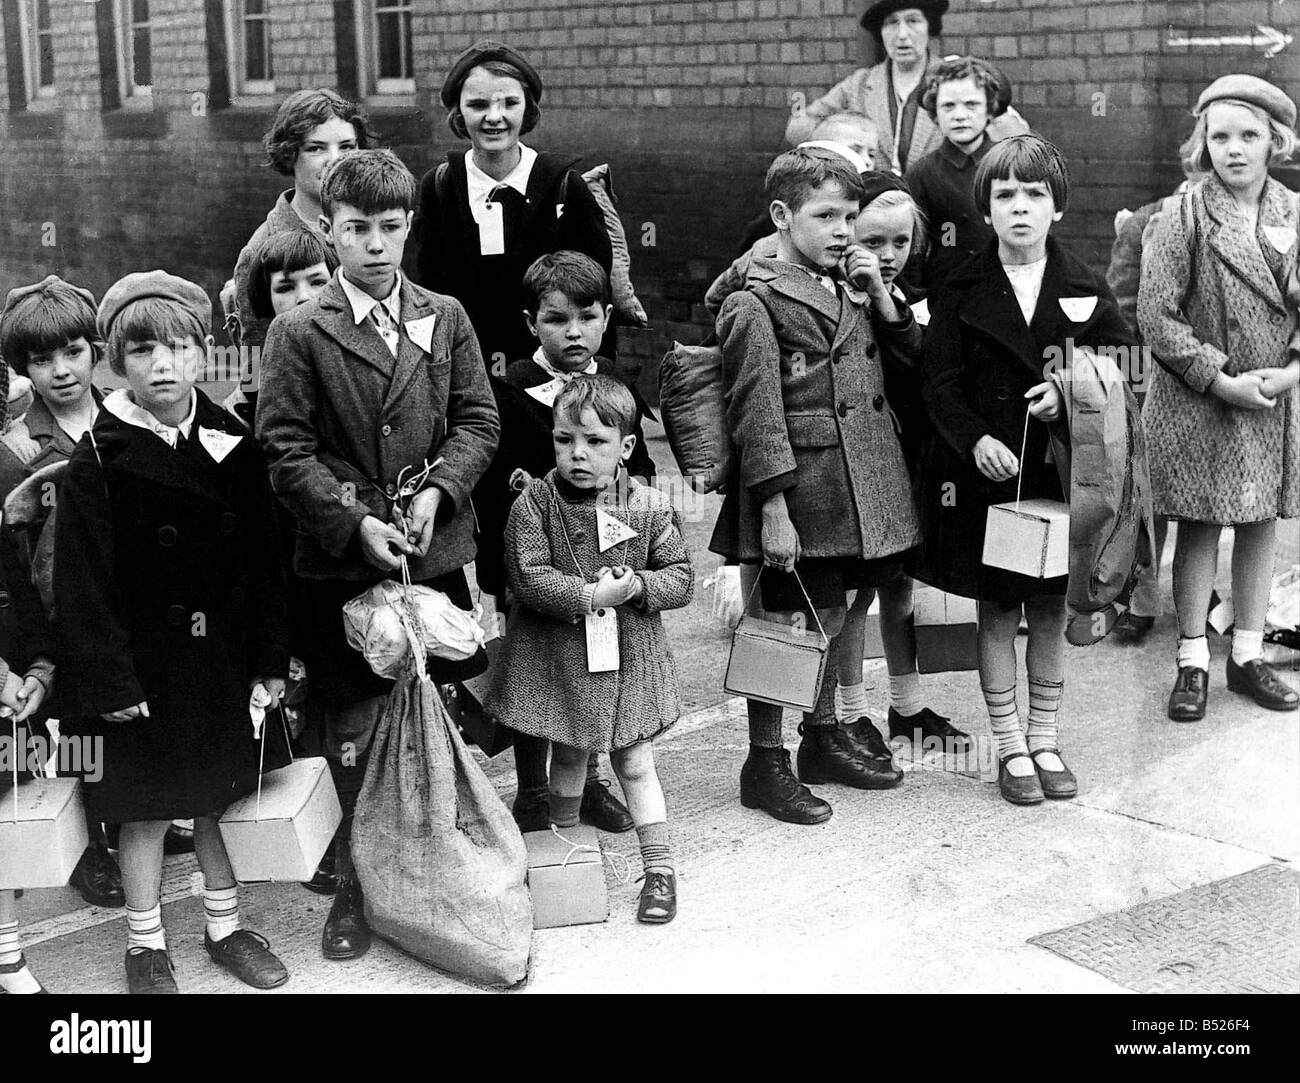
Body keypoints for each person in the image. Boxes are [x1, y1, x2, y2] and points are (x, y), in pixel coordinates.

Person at [256, 149, 499, 961]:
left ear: (409, 226)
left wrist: (438, 494)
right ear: (326, 229)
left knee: (437, 713)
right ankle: (360, 880)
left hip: (430, 553)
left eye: (390, 228)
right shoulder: (299, 330)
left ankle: (439, 860)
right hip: (345, 562)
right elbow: (284, 449)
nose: (374, 245)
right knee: (357, 726)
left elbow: (478, 422)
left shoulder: (447, 315)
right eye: (356, 228)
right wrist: (354, 522)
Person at [53, 271, 294, 993]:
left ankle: (226, 924)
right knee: (148, 809)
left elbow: (266, 560)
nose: (164, 363)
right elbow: (82, 587)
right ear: (114, 363)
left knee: (217, 796)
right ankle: (145, 941)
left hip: (222, 662)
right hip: (144, 671)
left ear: (206, 355)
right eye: (144, 349)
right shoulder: (96, 459)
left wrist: (270, 659)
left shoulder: (233, 442)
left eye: (181, 346)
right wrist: (110, 681)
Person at [916, 135, 1137, 805]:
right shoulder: (960, 282)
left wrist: (1068, 386)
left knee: (1047, 608)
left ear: (1057, 208)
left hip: (1055, 471)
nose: (1020, 207)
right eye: (1005, 194)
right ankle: (1009, 745)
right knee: (996, 609)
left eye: (1035, 194)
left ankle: (1045, 736)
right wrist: (974, 437)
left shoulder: (1080, 284)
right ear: (985, 207)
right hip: (986, 478)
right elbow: (937, 382)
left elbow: (1129, 362)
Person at [711, 146, 923, 824]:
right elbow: (756, 410)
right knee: (788, 623)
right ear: (781, 215)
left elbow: (908, 360)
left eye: (850, 215)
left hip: (860, 485)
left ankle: (823, 735)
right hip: (803, 491)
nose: (842, 230)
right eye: (825, 215)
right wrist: (772, 507)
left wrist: (882, 294)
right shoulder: (755, 300)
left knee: (842, 610)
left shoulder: (850, 283)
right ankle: (764, 759)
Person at [487, 375, 694, 922]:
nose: (577, 454)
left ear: (626, 447)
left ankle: (659, 870)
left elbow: (680, 576)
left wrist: (640, 586)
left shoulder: (648, 505)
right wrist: (586, 594)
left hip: (629, 658)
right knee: (570, 752)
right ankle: (565, 857)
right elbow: (527, 577)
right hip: (560, 657)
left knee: (634, 759)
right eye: (563, 440)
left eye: (596, 442)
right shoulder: (533, 503)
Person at [1137, 75, 1300, 720]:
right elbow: (1157, 317)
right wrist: (1220, 377)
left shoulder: (1293, 213)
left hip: (1271, 394)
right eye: (1220, 136)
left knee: (1260, 523)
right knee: (1200, 524)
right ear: (1203, 144)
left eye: (1250, 136)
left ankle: (1248, 654)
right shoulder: (1181, 215)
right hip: (1201, 397)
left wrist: (1292, 370)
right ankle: (1192, 659)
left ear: (1275, 142)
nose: (1235, 149)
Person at [476, 252, 652, 834]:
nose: (573, 331)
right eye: (555, 319)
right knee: (539, 675)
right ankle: (532, 788)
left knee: (595, 670)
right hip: (535, 564)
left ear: (607, 319)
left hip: (603, 566)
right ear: (532, 324)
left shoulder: (615, 389)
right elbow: (492, 483)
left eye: (587, 316)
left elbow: (640, 470)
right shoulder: (509, 393)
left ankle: (589, 781)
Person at [0, 276, 122, 910]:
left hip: (124, 607)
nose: (61, 370)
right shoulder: (20, 448)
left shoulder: (126, 416)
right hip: (55, 616)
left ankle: (135, 821)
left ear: (94, 349)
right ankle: (89, 848)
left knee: (128, 717)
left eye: (73, 352)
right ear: (23, 369)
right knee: (78, 734)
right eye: (41, 360)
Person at [412, 39, 613, 371]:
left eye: (509, 103)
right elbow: (432, 290)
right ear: (459, 111)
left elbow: (595, 290)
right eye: (478, 105)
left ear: (527, 108)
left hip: (552, 372)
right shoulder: (441, 187)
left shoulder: (564, 186)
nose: (495, 117)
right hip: (469, 369)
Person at [1104, 169, 1200, 644]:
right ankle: (1142, 597)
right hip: (1157, 382)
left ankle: (1199, 597)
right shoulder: (1143, 224)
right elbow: (1121, 310)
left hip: (1217, 384)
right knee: (1148, 494)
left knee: (1205, 496)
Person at [785, 3, 1027, 173]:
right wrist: (845, 142)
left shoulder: (955, 78)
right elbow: (797, 128)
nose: (902, 35)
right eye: (891, 23)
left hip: (940, 207)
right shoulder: (860, 83)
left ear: (929, 27)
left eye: (912, 21)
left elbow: (1016, 139)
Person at [228, 89, 370, 356]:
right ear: (289, 154)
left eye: (347, 147)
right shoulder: (261, 248)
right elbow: (255, 367)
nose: (335, 160)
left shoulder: (370, 229)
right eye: (316, 148)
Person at [0, 365, 56, 994]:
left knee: (7, 815)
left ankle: (9, 954)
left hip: (15, 687)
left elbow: (27, 595)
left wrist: (37, 672)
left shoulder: (13, 485)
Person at [906, 55, 1005, 291]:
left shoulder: (1008, 162)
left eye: (971, 105)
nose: (960, 115)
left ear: (989, 109)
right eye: (948, 106)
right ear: (935, 113)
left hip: (1004, 281)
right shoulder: (922, 173)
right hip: (948, 287)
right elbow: (915, 248)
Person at [224, 230, 335, 429]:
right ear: (268, 300)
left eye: (318, 282)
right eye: (285, 288)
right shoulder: (244, 408)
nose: (303, 297)